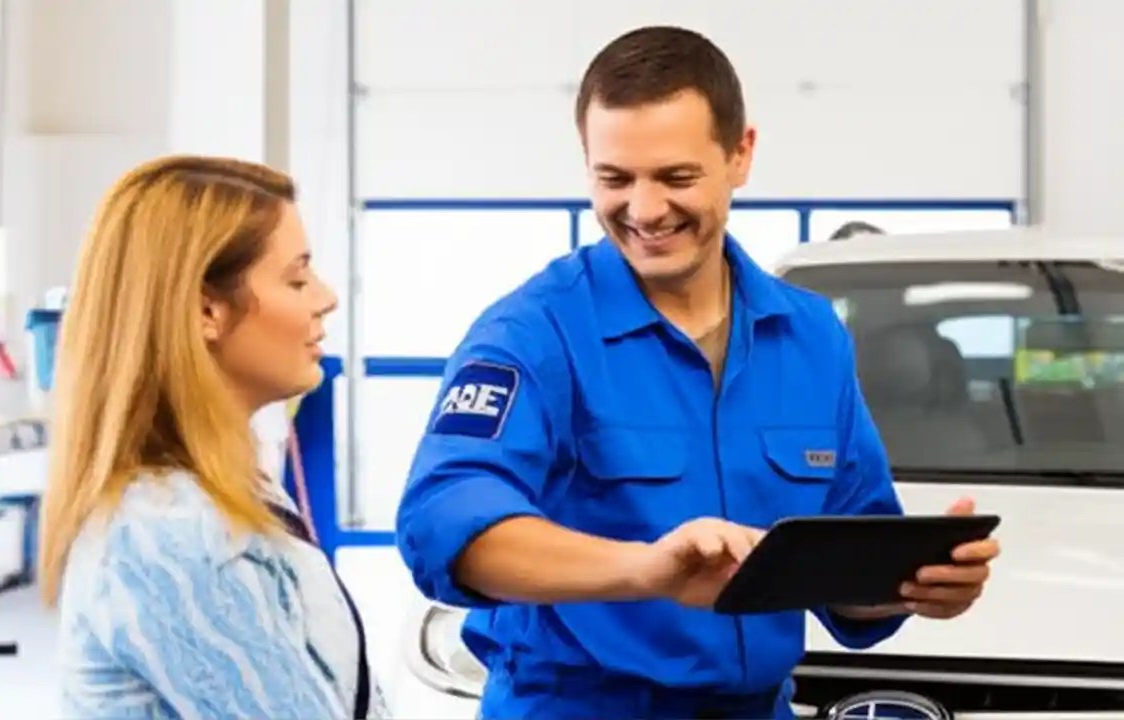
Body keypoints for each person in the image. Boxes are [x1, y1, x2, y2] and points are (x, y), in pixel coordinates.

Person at [394, 26, 1000, 720]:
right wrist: (643, 570)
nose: (645, 211)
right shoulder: (534, 335)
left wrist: (913, 585)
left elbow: (841, 567)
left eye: (676, 178)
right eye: (614, 179)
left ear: (740, 154)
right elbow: (445, 528)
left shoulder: (810, 337)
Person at [37, 155, 387, 719]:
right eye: (296, 278)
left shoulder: (226, 491)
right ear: (206, 310)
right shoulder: (172, 533)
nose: (325, 298)